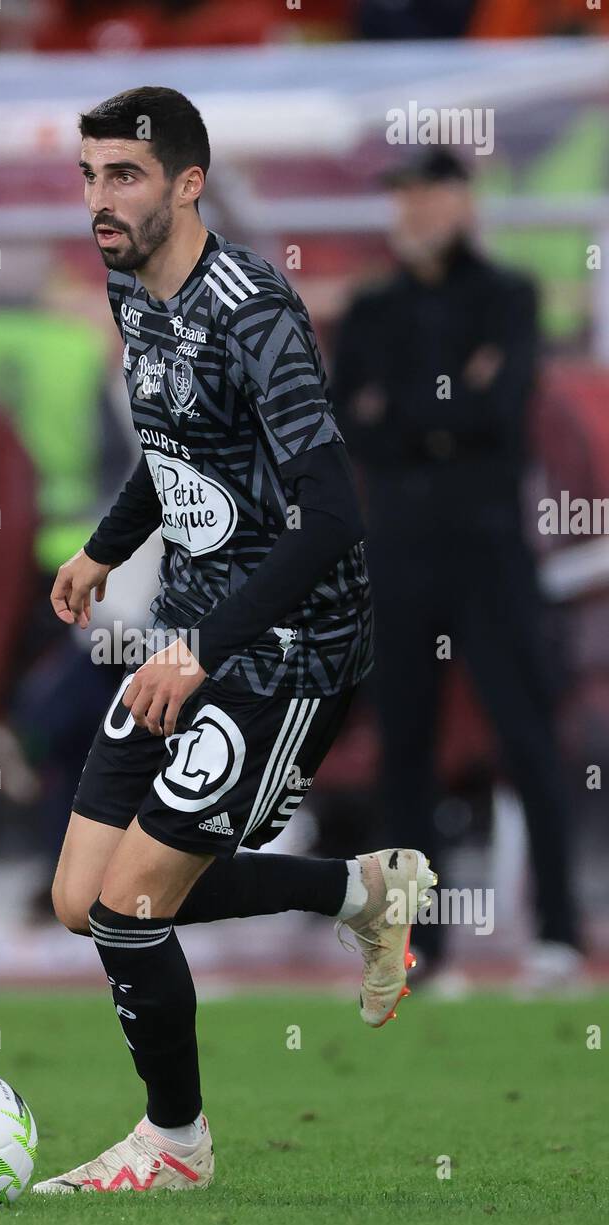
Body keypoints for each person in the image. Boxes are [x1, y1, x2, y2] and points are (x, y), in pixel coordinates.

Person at [33, 87, 435, 1196]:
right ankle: (359, 892)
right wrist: (105, 549)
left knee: (129, 909)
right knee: (82, 900)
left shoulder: (254, 310)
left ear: (187, 183)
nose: (99, 200)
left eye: (124, 176)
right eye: (88, 175)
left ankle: (174, 1144)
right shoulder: (129, 288)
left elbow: (331, 517)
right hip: (190, 633)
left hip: (287, 651)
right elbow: (174, 448)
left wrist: (202, 644)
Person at [330, 147, 583, 993]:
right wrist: (444, 410)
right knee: (404, 748)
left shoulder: (506, 296)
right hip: (400, 551)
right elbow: (351, 422)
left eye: (426, 194)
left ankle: (558, 932)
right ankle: (421, 949)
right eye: (402, 196)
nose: (412, 212)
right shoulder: (371, 307)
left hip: (488, 550)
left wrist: (406, 412)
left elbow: (498, 406)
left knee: (528, 733)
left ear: (461, 201)